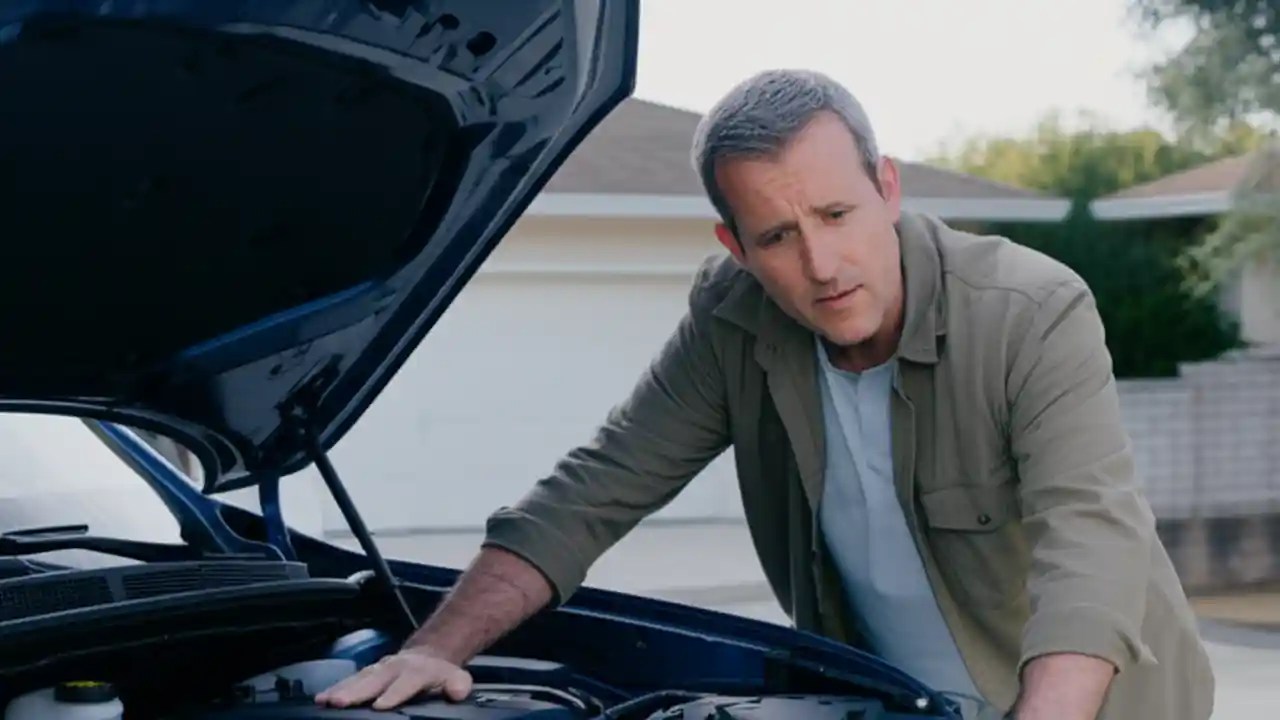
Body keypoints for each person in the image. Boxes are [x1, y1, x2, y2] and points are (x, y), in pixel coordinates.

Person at [315, 69, 1215, 719]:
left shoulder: (1030, 310)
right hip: (898, 704)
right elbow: (592, 492)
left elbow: (1090, 549)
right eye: (778, 235)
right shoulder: (735, 324)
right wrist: (436, 647)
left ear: (886, 187)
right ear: (734, 243)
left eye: (836, 216)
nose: (821, 266)